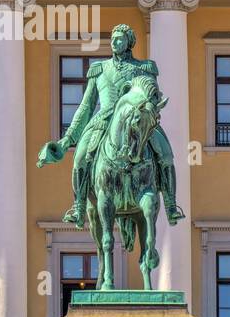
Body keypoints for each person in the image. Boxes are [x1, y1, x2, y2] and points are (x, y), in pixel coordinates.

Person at [37, 24, 185, 228]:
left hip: (138, 121)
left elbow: (151, 97)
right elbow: (86, 106)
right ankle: (79, 206)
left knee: (166, 155)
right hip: (104, 120)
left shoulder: (144, 68)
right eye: (113, 38)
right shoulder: (100, 69)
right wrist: (68, 139)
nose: (115, 42)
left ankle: (170, 205)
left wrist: (147, 115)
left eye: (120, 38)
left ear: (129, 42)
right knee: (80, 158)